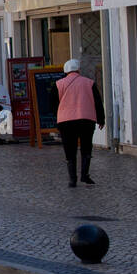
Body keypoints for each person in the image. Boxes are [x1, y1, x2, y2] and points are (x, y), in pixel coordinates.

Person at [54, 59, 105, 187]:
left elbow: (53, 103)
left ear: (65, 71)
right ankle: (85, 175)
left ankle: (72, 179)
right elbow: (98, 102)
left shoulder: (59, 84)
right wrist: (101, 119)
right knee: (86, 147)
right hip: (86, 119)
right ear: (78, 70)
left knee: (69, 149)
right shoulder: (89, 83)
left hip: (65, 121)